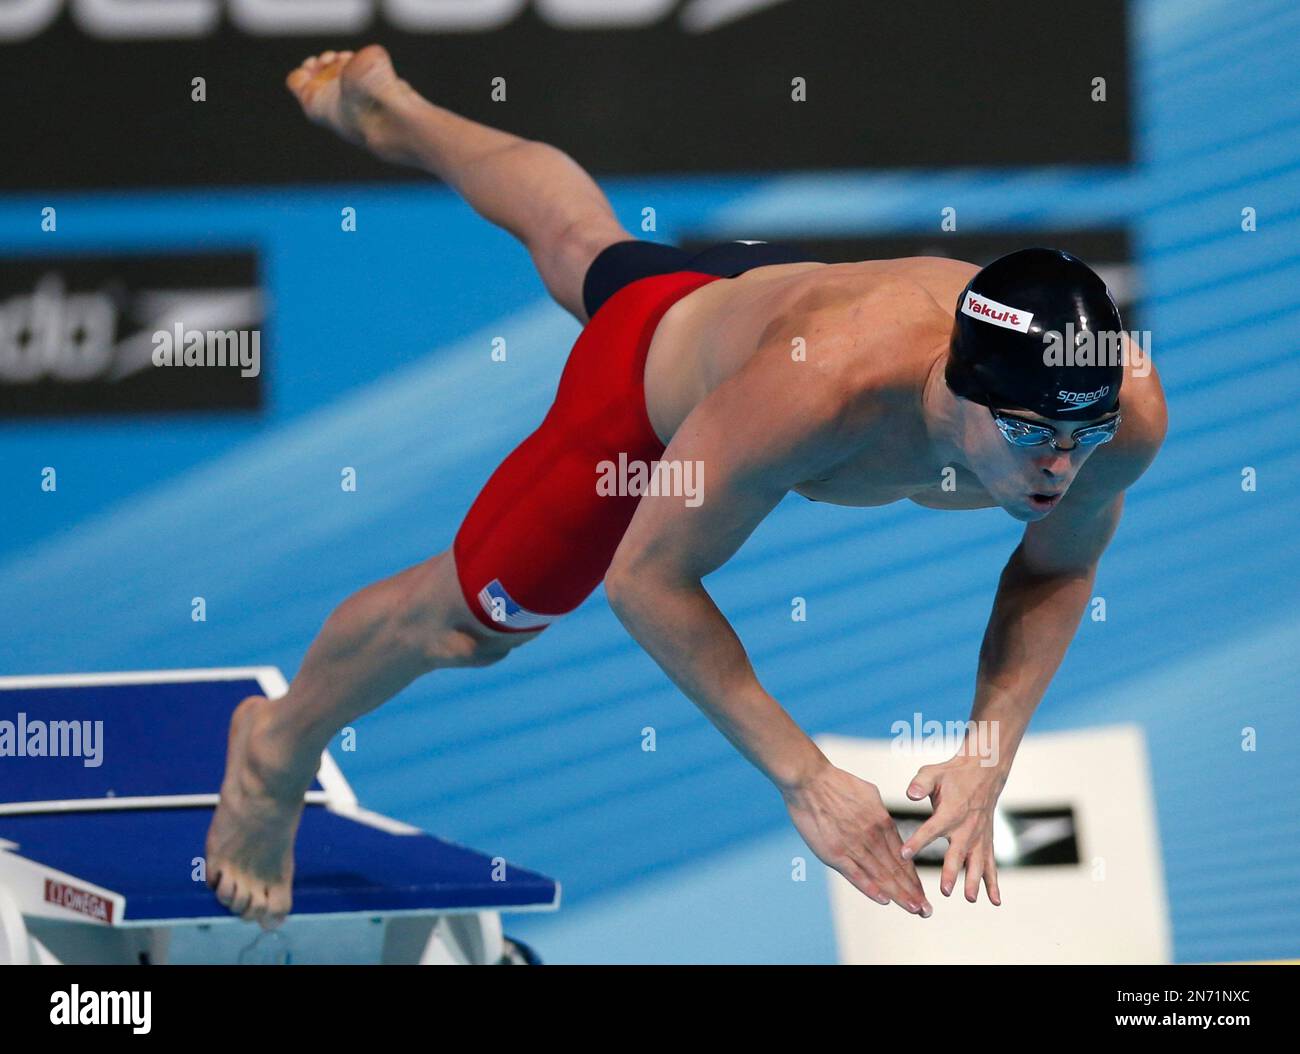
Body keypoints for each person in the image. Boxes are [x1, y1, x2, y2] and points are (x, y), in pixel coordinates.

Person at [205, 45, 1167, 927]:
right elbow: (648, 580)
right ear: (961, 389)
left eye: (1083, 433)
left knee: (582, 243)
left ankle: (395, 107)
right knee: (470, 623)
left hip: (760, 299)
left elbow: (1054, 571)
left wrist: (986, 754)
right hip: (657, 379)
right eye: (1034, 433)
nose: (1062, 465)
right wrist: (804, 776)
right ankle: (273, 751)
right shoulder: (822, 391)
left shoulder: (1119, 412)